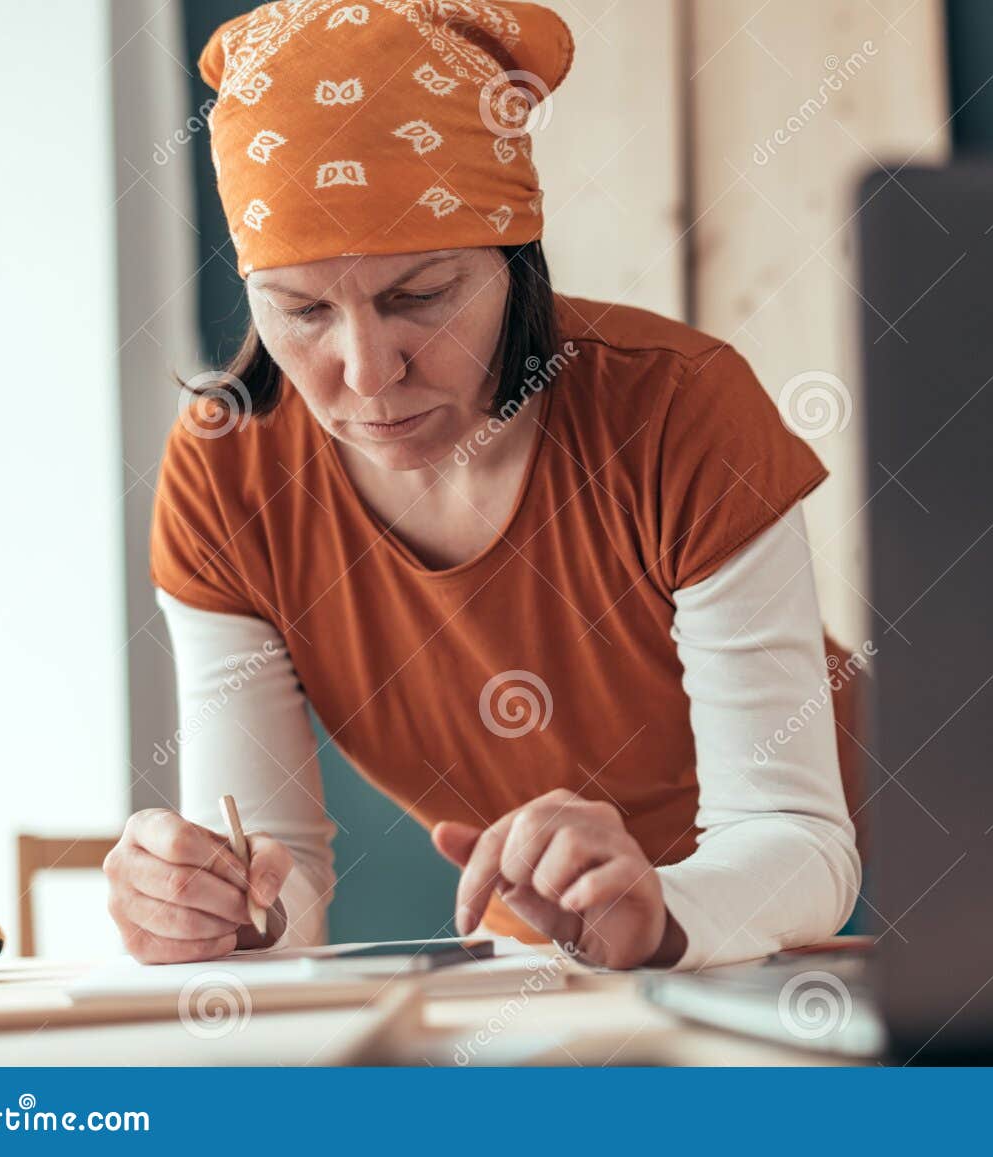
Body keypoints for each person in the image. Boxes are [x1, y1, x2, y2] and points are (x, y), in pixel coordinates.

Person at [103, 0, 863, 971]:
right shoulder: (225, 472)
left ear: (515, 260)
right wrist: (218, 911)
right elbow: (277, 868)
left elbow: (793, 829)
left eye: (418, 296)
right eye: (299, 308)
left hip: (852, 898)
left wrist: (660, 910)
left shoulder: (678, 409)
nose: (369, 371)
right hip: (553, 941)